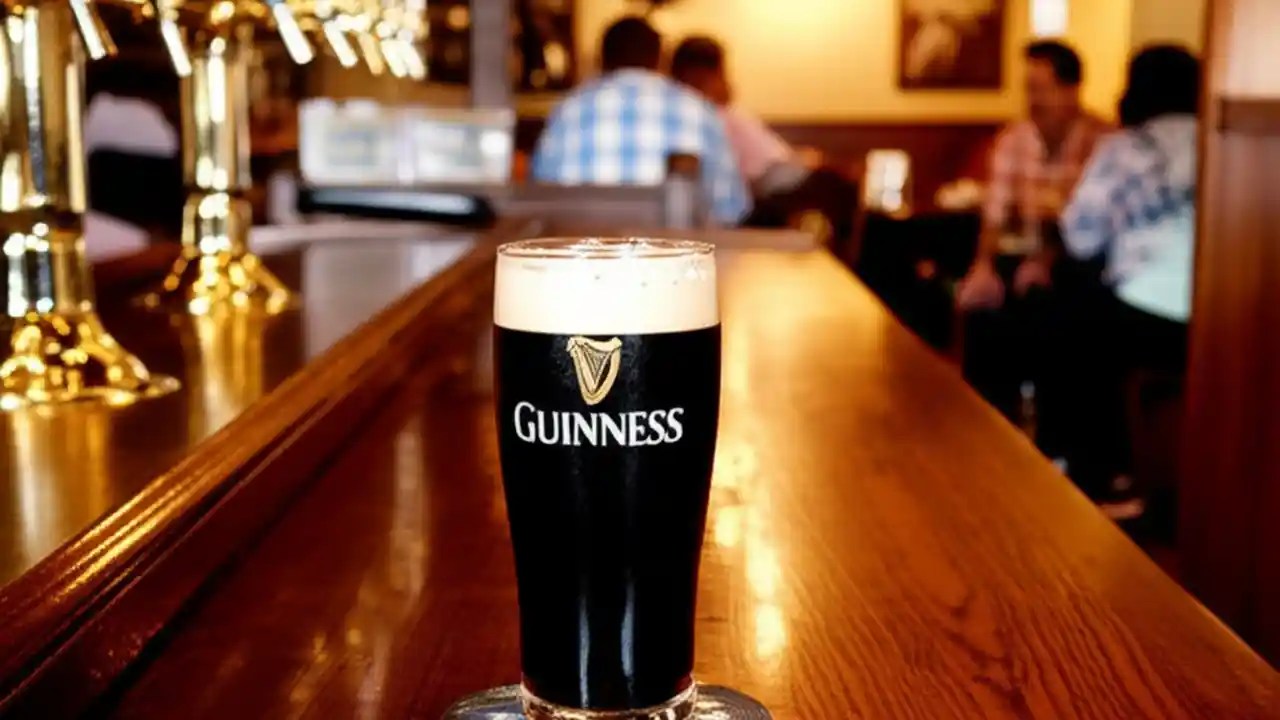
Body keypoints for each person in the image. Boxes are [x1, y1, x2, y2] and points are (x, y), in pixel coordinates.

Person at [1055, 46, 1200, 526]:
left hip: (1143, 315)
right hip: (1223, 316)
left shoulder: (1126, 147)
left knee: (1073, 316)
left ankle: (1099, 476)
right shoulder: (1225, 141)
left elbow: (1079, 235)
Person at [957, 41, 1111, 423]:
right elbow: (996, 212)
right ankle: (988, 427)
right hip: (1026, 254)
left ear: (1072, 90)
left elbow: (1092, 224)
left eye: (1041, 89)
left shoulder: (1103, 141)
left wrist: (1046, 260)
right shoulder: (1014, 139)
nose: (1033, 100)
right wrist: (983, 266)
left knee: (1047, 307)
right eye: (1028, 89)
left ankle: (1057, 440)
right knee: (983, 309)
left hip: (1083, 265)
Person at [531, 17, 750, 225]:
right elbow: (730, 209)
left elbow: (541, 199)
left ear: (601, 61)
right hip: (676, 259)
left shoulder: (567, 110)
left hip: (580, 258)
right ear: (659, 61)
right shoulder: (699, 110)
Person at [669, 36, 804, 195]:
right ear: (702, 75)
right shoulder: (708, 117)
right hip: (768, 188)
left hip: (775, 177)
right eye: (722, 71)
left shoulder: (722, 113)